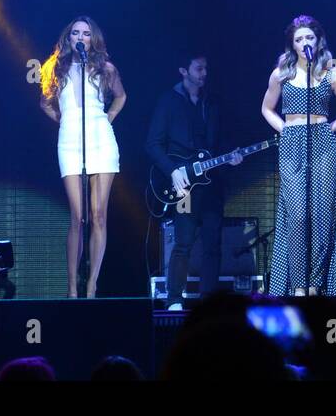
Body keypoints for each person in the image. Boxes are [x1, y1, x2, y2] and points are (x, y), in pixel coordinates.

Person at [262, 16, 336, 296]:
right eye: (299, 39)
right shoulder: (281, 73)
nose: (305, 43)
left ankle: (315, 285)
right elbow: (267, 108)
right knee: (297, 215)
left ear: (318, 41)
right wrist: (285, 128)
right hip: (292, 143)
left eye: (309, 38)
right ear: (292, 45)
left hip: (323, 144)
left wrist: (333, 126)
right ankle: (297, 286)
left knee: (321, 215)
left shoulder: (332, 74)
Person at [146, 51, 242, 308]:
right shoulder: (168, 102)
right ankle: (174, 299)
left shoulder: (212, 103)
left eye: (206, 69)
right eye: (199, 68)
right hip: (183, 185)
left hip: (211, 184)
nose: (204, 74)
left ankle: (208, 301)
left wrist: (231, 155)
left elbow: (220, 141)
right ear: (183, 70)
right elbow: (153, 144)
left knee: (213, 242)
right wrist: (173, 171)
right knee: (183, 242)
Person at [40, 16, 125, 298]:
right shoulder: (55, 67)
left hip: (100, 138)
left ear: (93, 39)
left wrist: (109, 117)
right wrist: (64, 121)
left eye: (86, 33)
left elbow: (121, 97)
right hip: (70, 142)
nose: (80, 37)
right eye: (75, 32)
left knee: (99, 215)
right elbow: (45, 103)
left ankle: (92, 284)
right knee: (78, 216)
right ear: (68, 37)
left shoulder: (105, 68)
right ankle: (72, 286)